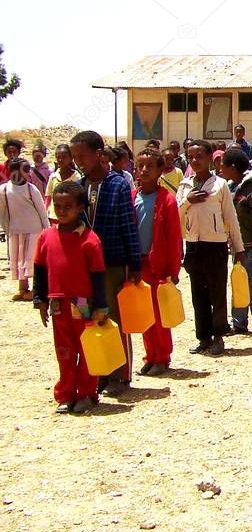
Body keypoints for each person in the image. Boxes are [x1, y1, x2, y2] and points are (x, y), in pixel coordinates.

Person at [70, 130, 142, 394]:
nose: (78, 161)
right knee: (92, 317)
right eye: (75, 157)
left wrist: (134, 264)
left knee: (115, 318)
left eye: (83, 156)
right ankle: (99, 371)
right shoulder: (80, 186)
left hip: (113, 261)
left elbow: (128, 226)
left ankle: (119, 375)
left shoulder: (118, 185)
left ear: (99, 155)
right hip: (87, 265)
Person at [32, 180, 108, 414]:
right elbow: (40, 270)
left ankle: (86, 393)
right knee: (64, 351)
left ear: (80, 208)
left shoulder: (89, 240)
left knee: (86, 348)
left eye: (68, 206)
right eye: (58, 205)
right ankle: (65, 394)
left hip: (82, 302)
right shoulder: (46, 237)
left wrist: (101, 307)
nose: (62, 211)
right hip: (57, 302)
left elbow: (97, 276)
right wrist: (39, 299)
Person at [177, 140, 244, 356]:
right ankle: (203, 337)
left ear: (209, 159)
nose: (195, 161)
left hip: (215, 245)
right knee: (198, 295)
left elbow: (230, 217)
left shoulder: (220, 185)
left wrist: (238, 247)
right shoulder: (185, 185)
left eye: (199, 156)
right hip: (193, 246)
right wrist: (187, 201)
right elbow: (176, 216)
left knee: (217, 292)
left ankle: (218, 335)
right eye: (191, 157)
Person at [132, 149, 182, 374]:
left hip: (158, 266)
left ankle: (162, 356)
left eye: (149, 166)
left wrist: (173, 269)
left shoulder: (167, 200)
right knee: (143, 313)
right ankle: (149, 355)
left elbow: (174, 237)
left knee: (160, 313)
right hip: (138, 265)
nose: (144, 170)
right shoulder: (133, 197)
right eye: (140, 165)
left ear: (160, 170)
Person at [219, 148, 252, 337]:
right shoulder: (233, 187)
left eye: (223, 165)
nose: (220, 169)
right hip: (239, 246)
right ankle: (239, 322)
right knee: (239, 283)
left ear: (232, 167)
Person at [1, 158, 49, 300]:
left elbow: (41, 211)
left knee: (32, 260)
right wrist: (6, 229)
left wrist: (46, 230)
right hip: (15, 230)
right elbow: (2, 212)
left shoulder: (31, 189)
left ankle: (35, 290)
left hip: (34, 229)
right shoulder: (4, 189)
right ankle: (23, 289)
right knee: (18, 259)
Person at [44, 144, 81, 224]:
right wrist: (46, 213)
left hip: (70, 217)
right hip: (54, 217)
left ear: (71, 158)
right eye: (58, 157)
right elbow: (48, 197)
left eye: (64, 157)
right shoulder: (53, 177)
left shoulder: (77, 178)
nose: (60, 160)